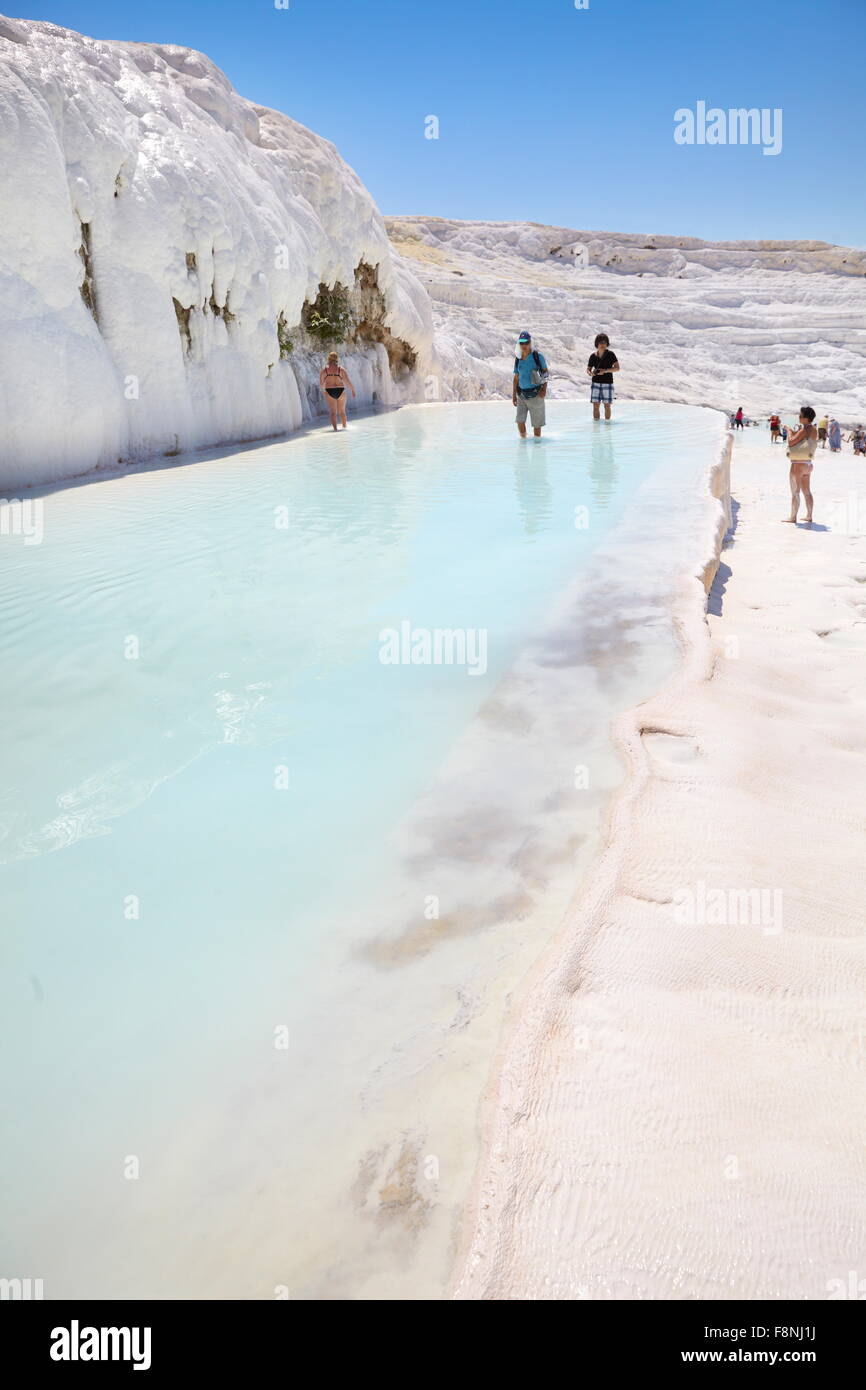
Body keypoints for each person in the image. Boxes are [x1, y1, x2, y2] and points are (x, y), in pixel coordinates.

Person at [782, 405, 818, 526]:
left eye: (801, 416)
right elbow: (800, 438)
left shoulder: (805, 429)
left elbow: (791, 441)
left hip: (798, 465)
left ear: (806, 418)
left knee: (795, 492)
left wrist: (787, 430)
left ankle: (792, 517)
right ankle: (809, 515)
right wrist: (793, 431)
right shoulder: (813, 429)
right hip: (808, 465)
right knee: (807, 491)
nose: (799, 417)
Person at [512, 330, 548, 438]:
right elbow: (516, 377)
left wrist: (544, 389)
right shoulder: (518, 359)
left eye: (526, 342)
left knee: (537, 425)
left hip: (536, 394)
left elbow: (545, 372)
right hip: (522, 395)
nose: (524, 345)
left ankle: (537, 447)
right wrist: (513, 395)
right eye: (521, 343)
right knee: (520, 421)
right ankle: (523, 442)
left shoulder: (538, 356)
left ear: (530, 342)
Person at [319, 351, 356, 430]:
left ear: (328, 359)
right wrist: (353, 390)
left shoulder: (324, 370)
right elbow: (347, 381)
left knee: (333, 412)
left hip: (330, 390)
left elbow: (321, 384)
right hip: (341, 390)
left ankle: (335, 430)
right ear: (337, 359)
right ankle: (344, 428)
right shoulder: (341, 369)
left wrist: (324, 391)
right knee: (342, 412)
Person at [586, 333, 619, 420]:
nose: (602, 344)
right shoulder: (593, 356)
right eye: (600, 342)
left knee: (607, 405)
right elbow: (588, 369)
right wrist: (590, 373)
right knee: (595, 405)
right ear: (597, 343)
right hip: (595, 383)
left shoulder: (611, 354)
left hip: (607, 383)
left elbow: (617, 368)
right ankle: (596, 427)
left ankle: (608, 426)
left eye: (604, 342)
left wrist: (605, 371)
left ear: (607, 343)